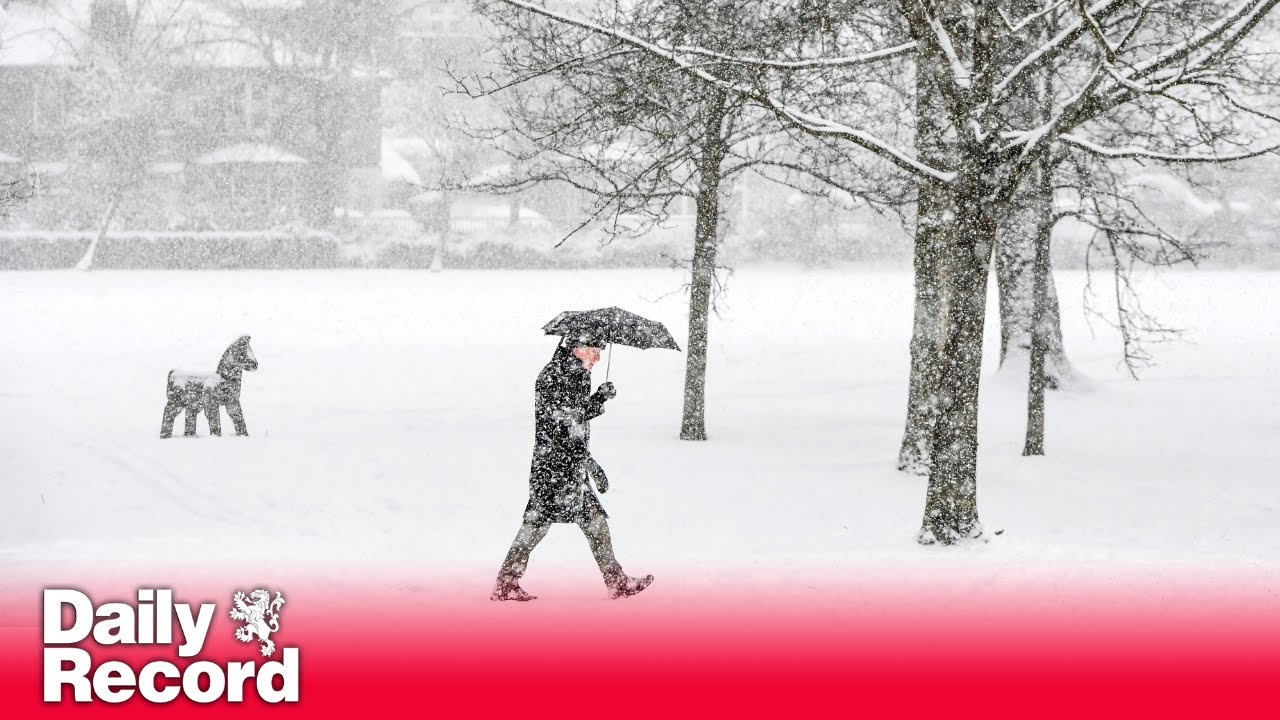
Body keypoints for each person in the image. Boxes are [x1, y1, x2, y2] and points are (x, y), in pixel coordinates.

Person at [492, 339, 653, 601]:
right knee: (537, 524)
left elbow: (575, 415)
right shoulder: (553, 376)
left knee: (591, 522)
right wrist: (589, 461)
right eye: (593, 351)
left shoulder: (576, 375)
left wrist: (600, 397)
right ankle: (506, 583)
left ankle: (616, 581)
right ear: (576, 348)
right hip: (553, 468)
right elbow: (561, 426)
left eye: (600, 352)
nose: (597, 358)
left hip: (568, 467)